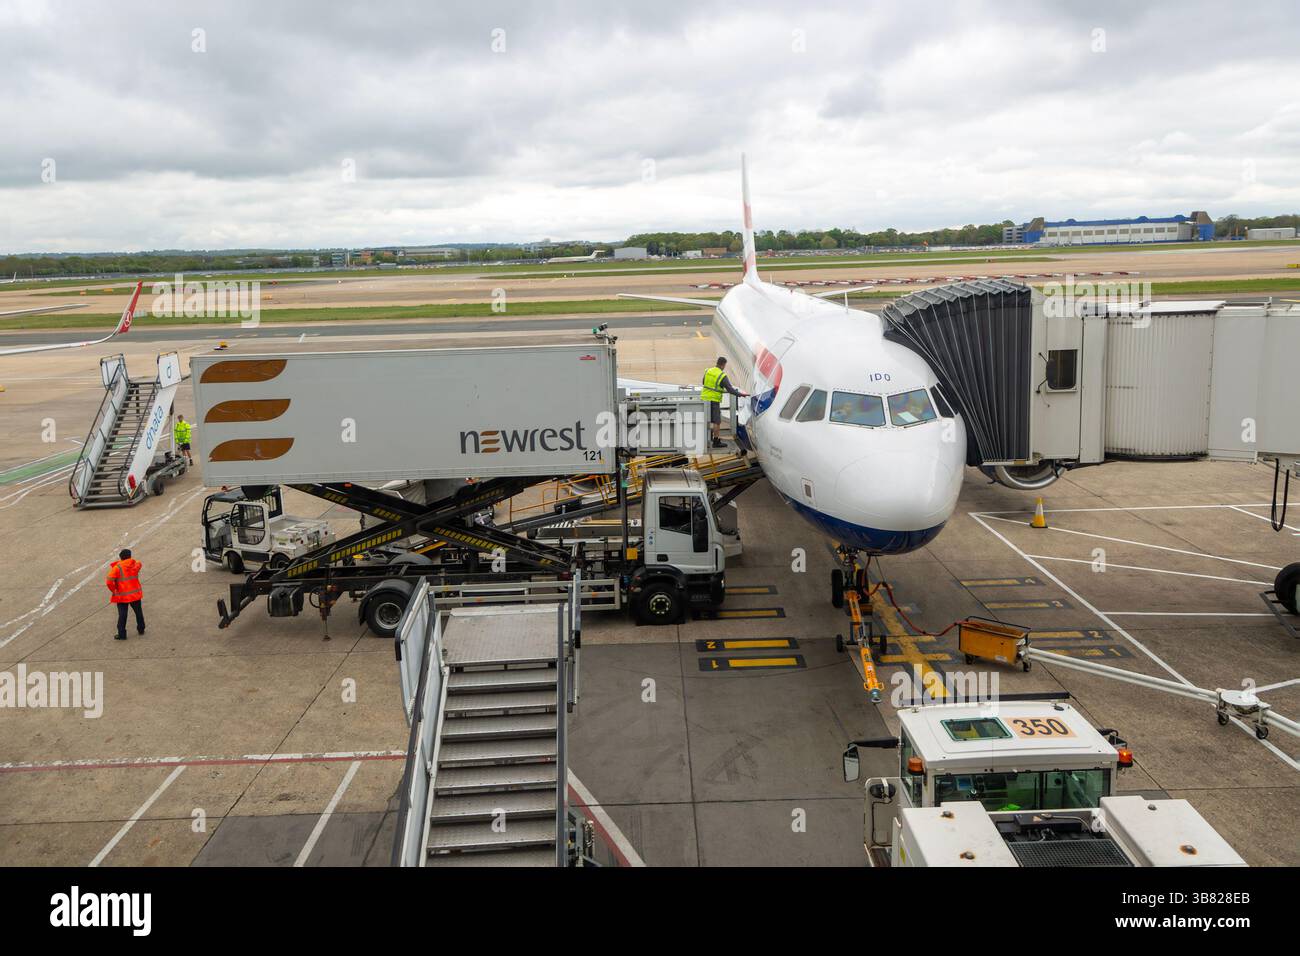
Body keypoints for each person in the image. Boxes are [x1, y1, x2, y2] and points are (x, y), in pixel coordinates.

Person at [701, 357, 748, 448]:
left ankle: (705, 438)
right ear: (723, 365)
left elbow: (703, 382)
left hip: (704, 398)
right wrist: (741, 394)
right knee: (717, 421)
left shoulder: (708, 371)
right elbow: (730, 389)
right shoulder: (722, 375)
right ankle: (716, 441)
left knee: (705, 420)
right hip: (714, 400)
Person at [107, 549, 145, 641]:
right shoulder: (135, 565)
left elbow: (109, 581)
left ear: (121, 557)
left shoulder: (117, 568)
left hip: (122, 596)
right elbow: (139, 563)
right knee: (138, 612)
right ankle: (141, 629)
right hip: (135, 594)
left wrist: (114, 590)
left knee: (122, 615)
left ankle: (122, 634)